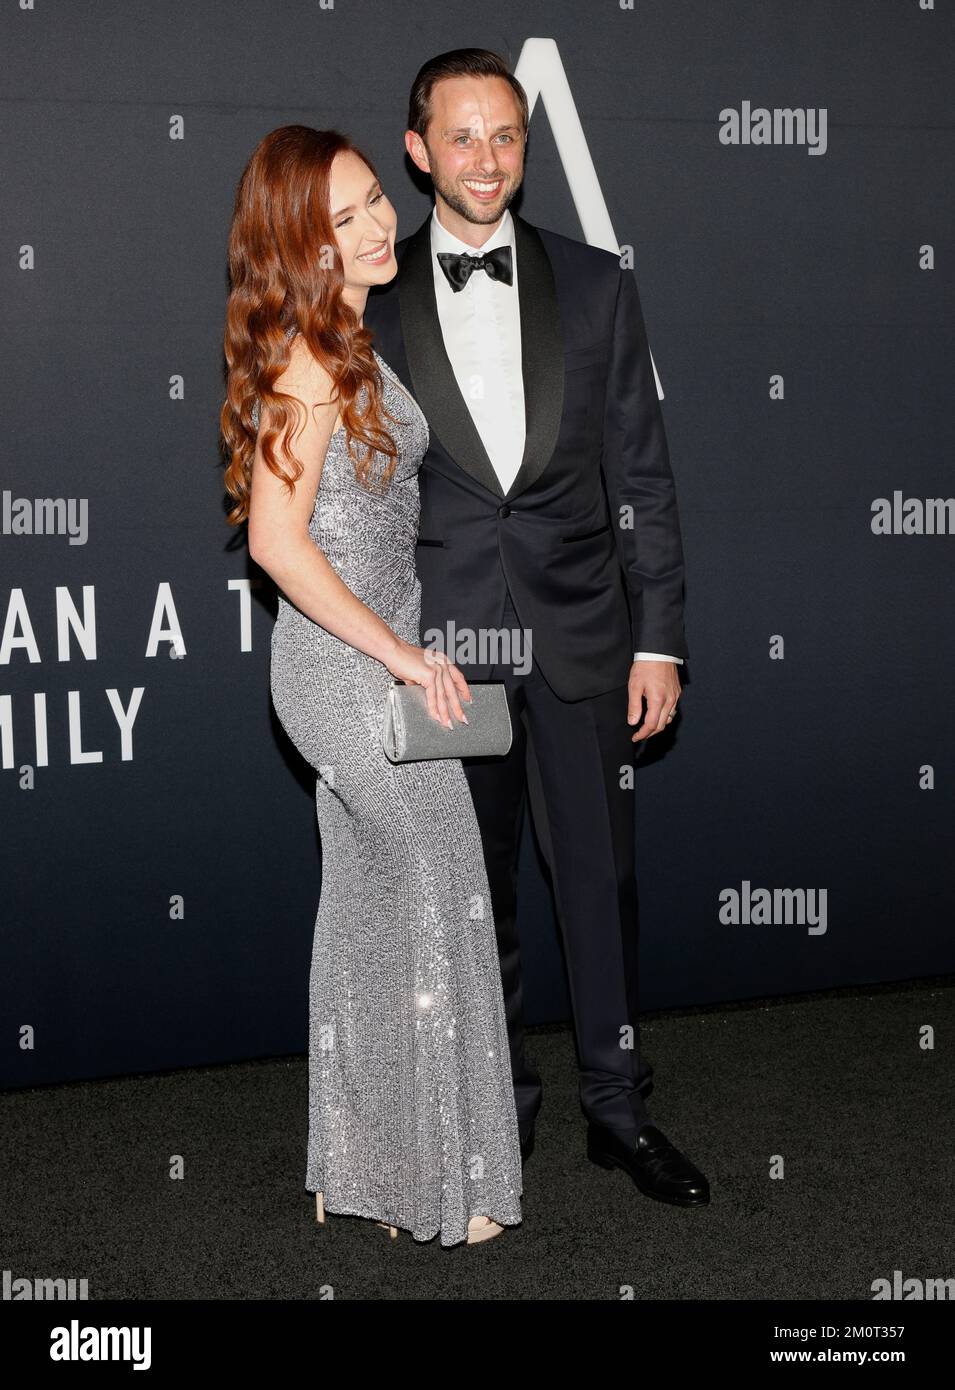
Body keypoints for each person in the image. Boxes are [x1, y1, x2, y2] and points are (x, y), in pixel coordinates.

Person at [363, 49, 710, 1206]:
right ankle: (491, 1116)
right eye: (459, 136)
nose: (485, 159)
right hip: (444, 653)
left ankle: (618, 1107)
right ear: (417, 151)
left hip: (581, 645)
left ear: (527, 144)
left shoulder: (597, 283)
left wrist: (658, 635)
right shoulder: (369, 298)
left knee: (600, 886)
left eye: (505, 135)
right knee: (472, 897)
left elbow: (642, 476)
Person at [220, 125, 523, 1246]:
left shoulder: (349, 339)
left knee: (372, 915)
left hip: (379, 655)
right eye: (340, 215)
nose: (370, 224)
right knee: (434, 894)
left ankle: (362, 1170)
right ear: (300, 239)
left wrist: (407, 637)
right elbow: (277, 544)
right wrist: (400, 653)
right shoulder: (306, 354)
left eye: (369, 202)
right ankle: (426, 1181)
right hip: (343, 673)